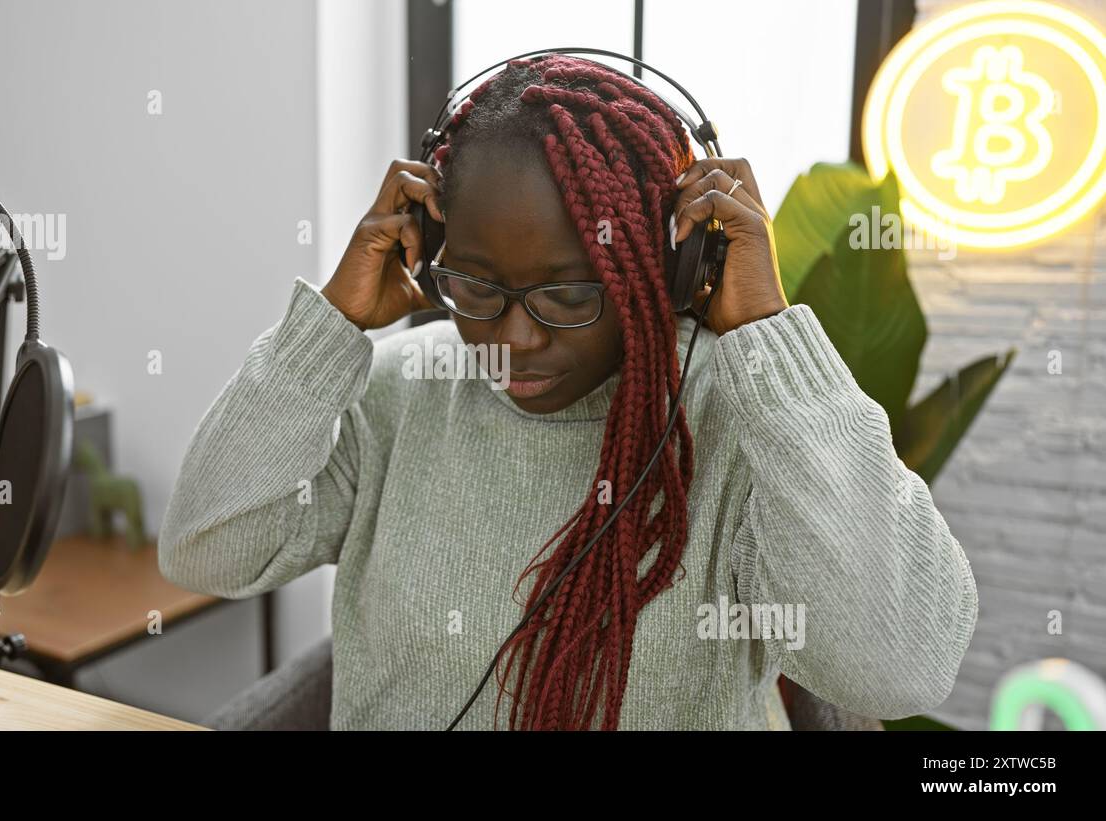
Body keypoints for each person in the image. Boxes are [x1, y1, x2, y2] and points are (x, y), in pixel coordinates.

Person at [158, 55, 978, 730]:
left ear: (668, 269)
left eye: (568, 295)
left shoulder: (733, 422)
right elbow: (207, 547)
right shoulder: (401, 392)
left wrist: (767, 333)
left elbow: (901, 664)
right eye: (476, 286)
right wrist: (330, 330)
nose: (513, 338)